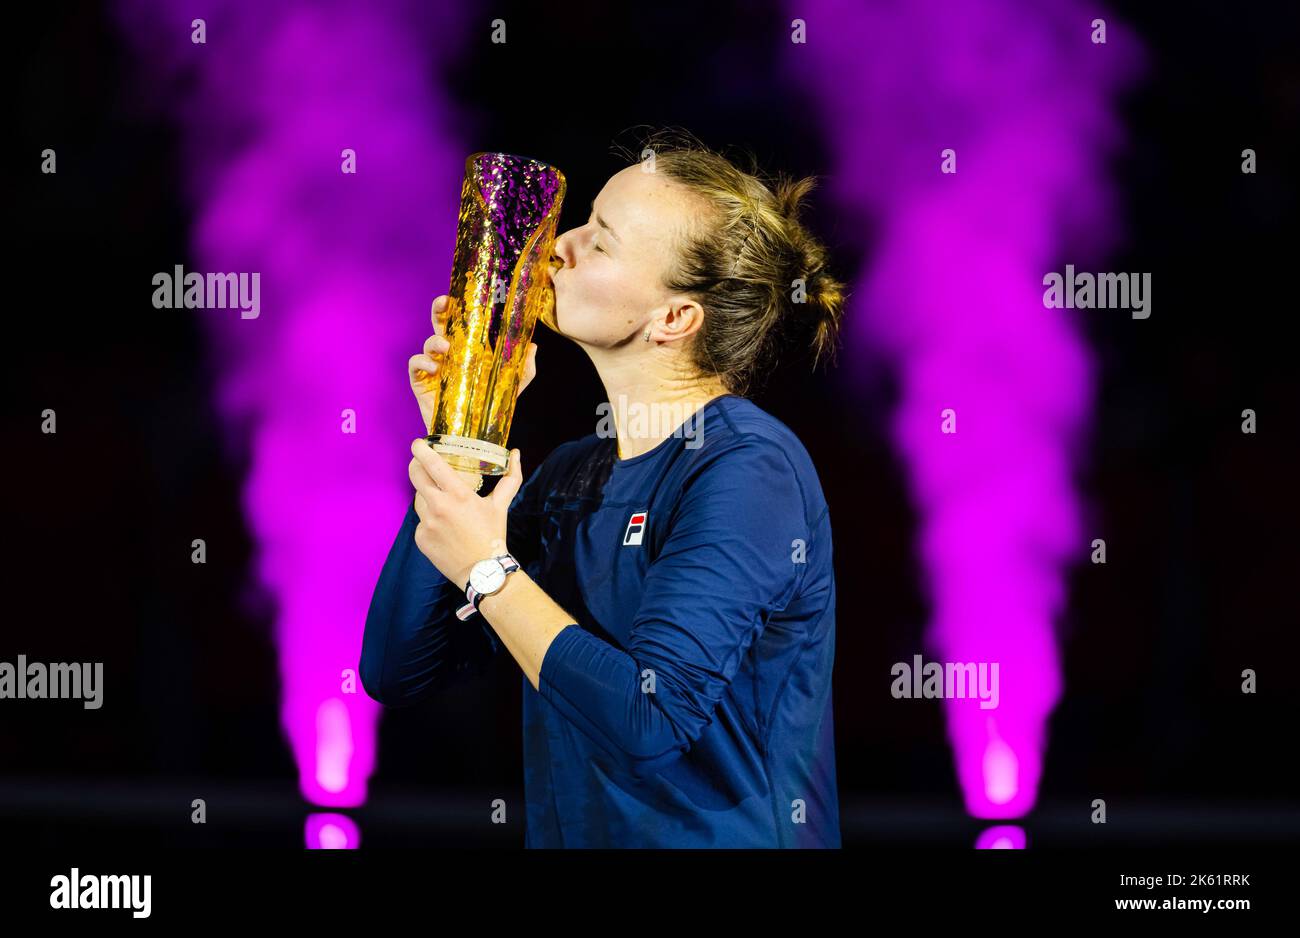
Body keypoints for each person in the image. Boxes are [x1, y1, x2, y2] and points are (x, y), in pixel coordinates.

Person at [359, 129, 848, 847]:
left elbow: (651, 723)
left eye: (601, 241)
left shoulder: (748, 469)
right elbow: (399, 667)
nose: (559, 245)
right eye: (581, 221)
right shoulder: (571, 476)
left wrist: (488, 571)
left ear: (675, 318)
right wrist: (466, 438)